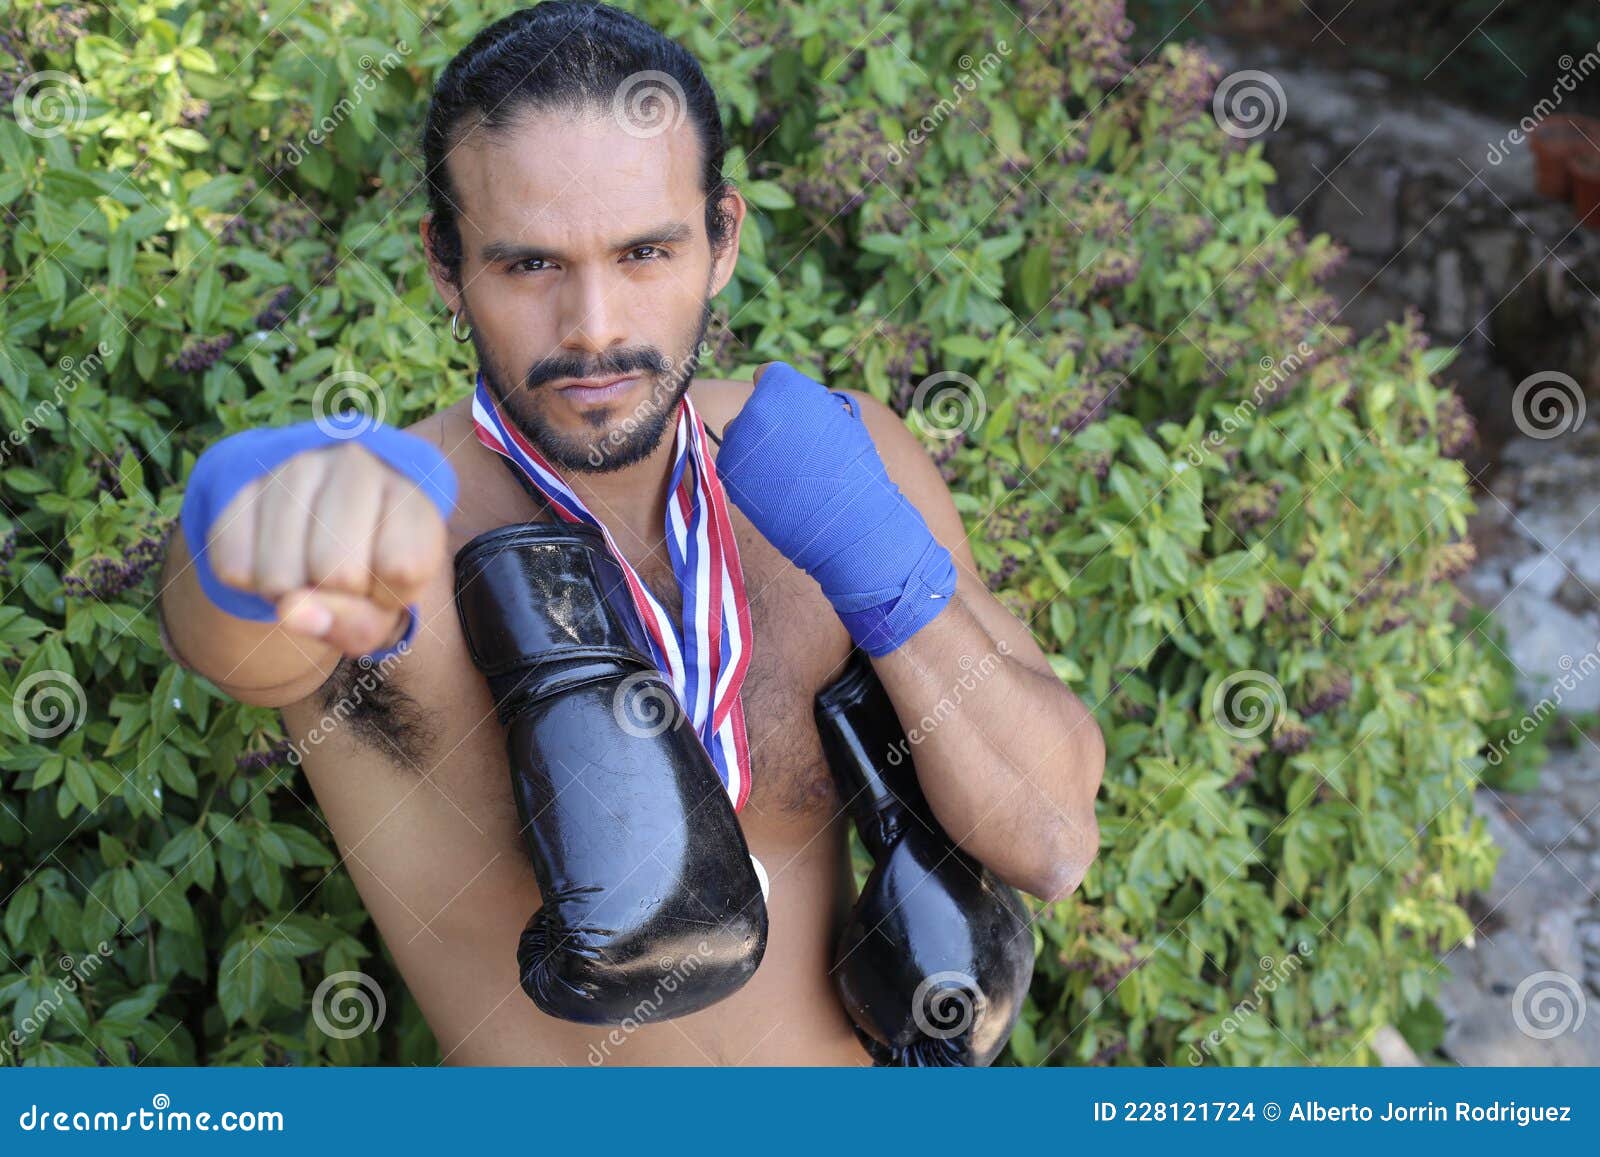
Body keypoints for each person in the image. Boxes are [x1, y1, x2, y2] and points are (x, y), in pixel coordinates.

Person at [155, 1, 1104, 1065]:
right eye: (529, 265)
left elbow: (1054, 837)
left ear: (723, 238)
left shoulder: (840, 464)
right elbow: (235, 635)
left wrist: (891, 579)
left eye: (644, 250)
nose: (595, 325)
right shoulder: (398, 531)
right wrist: (242, 530)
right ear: (444, 263)